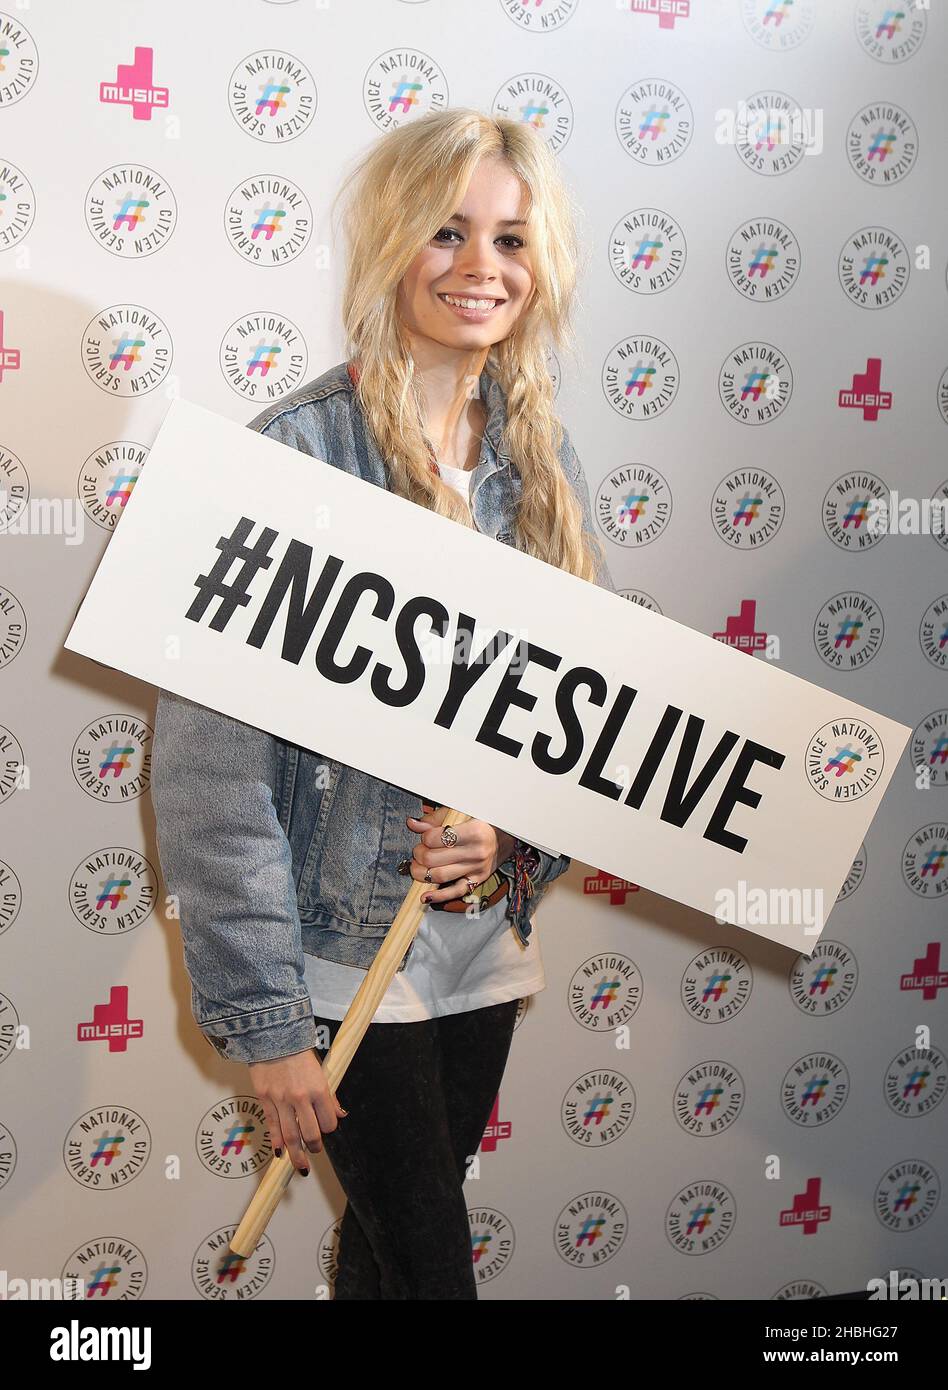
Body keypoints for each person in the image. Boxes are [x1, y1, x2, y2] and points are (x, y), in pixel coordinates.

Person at [150, 107, 616, 1300]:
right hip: (331, 961)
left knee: (387, 1262)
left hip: (481, 957)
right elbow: (212, 775)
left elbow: (594, 724)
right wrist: (268, 1024)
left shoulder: (543, 469)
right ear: (394, 241)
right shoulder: (296, 458)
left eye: (511, 240)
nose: (480, 268)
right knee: (433, 1276)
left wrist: (513, 843)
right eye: (448, 232)